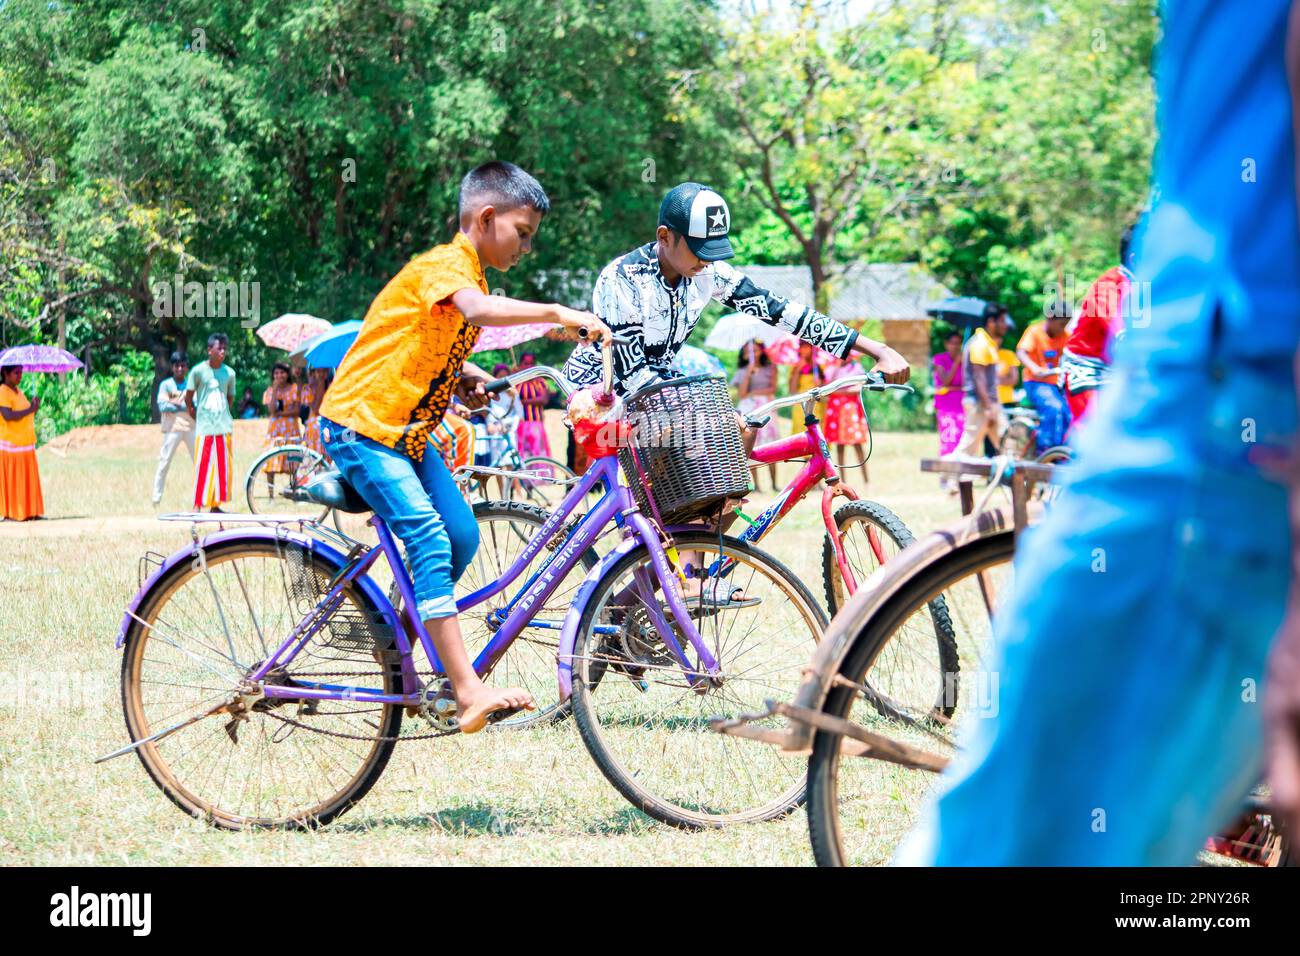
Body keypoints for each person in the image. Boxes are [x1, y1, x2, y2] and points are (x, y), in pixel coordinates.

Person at [896, 0, 1300, 865]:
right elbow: (1063, 371)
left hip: (1227, 384)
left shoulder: (1138, 291)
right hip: (1216, 402)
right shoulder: (1099, 300)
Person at [317, 160, 611, 733]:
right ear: (486, 217)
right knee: (427, 534)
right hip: (364, 427)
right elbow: (473, 312)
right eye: (522, 233)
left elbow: (421, 339)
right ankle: (466, 688)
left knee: (460, 533)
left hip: (407, 433)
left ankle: (401, 642)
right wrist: (557, 313)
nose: (526, 247)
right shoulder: (448, 266)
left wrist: (464, 375)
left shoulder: (465, 278)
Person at [559, 182, 909, 400]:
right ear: (664, 236)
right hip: (600, 394)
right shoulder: (622, 279)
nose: (706, 262)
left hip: (658, 393)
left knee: (727, 484)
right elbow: (633, 375)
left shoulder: (707, 273)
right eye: (699, 250)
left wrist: (876, 348)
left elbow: (783, 313)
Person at [1062, 226, 1136, 435]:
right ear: (1135, 257)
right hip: (1086, 369)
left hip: (1116, 369)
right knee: (1097, 433)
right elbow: (1118, 329)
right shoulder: (1109, 285)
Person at [942, 304, 1010, 489]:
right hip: (981, 403)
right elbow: (979, 377)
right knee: (970, 445)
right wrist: (989, 406)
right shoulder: (980, 343)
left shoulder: (987, 342)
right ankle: (948, 477)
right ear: (991, 321)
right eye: (1002, 321)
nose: (1005, 325)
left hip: (987, 403)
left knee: (1006, 441)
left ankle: (1016, 482)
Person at [185, 333, 237, 513]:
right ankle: (197, 504)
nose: (222, 352)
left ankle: (215, 505)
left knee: (221, 467)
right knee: (203, 465)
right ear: (209, 350)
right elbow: (189, 396)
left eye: (224, 349)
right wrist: (194, 413)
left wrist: (223, 415)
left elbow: (230, 398)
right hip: (205, 426)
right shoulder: (198, 371)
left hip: (223, 426)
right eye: (218, 348)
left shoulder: (229, 373)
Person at [1016, 305, 1072, 452]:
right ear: (1050, 319)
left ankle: (1062, 450)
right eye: (1061, 324)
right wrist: (1035, 369)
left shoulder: (1066, 336)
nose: (1063, 328)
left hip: (1055, 385)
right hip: (1035, 382)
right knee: (1054, 408)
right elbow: (1021, 352)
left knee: (1069, 413)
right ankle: (1045, 450)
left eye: (1066, 324)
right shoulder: (1034, 332)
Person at [732, 339, 780, 492]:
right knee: (752, 444)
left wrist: (754, 393)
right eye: (748, 351)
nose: (752, 353)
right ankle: (757, 485)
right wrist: (748, 373)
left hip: (766, 406)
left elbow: (772, 388)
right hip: (749, 408)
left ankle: (773, 483)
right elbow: (742, 393)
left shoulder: (771, 368)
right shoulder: (741, 372)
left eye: (755, 350)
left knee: (770, 444)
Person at [151, 351, 195, 506]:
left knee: (200, 464)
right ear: (172, 367)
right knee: (164, 462)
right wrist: (184, 405)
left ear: (187, 367)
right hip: (172, 429)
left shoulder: (191, 384)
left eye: (183, 365)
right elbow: (162, 405)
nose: (180, 369)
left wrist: (175, 402)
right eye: (177, 366)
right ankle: (156, 498)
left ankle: (201, 497)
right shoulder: (166, 384)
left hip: (190, 428)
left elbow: (195, 405)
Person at [0, 364, 44, 520]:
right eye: (16, 372)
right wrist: (30, 410)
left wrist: (34, 407)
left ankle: (31, 511)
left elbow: (25, 413)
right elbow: (8, 416)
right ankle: (14, 513)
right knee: (16, 481)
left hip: (25, 443)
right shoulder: (2, 392)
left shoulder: (19, 392)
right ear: (5, 373)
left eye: (21, 372)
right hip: (12, 445)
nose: (20, 375)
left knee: (28, 480)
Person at [823, 353, 870, 481]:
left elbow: (858, 388)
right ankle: (843, 480)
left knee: (857, 445)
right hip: (836, 411)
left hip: (851, 411)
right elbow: (827, 386)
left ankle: (866, 480)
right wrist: (837, 367)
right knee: (840, 447)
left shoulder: (857, 368)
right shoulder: (832, 368)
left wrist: (837, 391)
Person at [261, 362, 301, 489]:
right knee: (270, 460)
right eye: (276, 373)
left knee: (293, 461)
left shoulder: (295, 388)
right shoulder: (270, 391)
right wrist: (275, 390)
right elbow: (272, 410)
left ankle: (294, 490)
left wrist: (281, 414)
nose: (279, 375)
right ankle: (271, 494)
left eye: (282, 372)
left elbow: (297, 411)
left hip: (291, 430)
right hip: (275, 431)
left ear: (287, 374)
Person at [932, 330, 965, 456]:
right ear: (946, 344)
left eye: (958, 343)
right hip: (946, 405)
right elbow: (945, 381)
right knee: (948, 438)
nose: (956, 346)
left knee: (961, 440)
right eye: (953, 343)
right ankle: (946, 469)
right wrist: (956, 363)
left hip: (962, 405)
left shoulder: (965, 361)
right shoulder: (939, 359)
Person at [514, 352, 551, 458]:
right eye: (526, 363)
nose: (529, 366)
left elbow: (543, 400)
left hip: (536, 424)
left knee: (538, 453)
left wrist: (523, 402)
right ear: (520, 365)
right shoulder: (516, 383)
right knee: (522, 454)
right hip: (519, 425)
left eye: (531, 363)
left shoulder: (540, 382)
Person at [788, 341, 828, 434]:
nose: (804, 350)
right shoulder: (794, 367)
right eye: (802, 347)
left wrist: (820, 384)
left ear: (813, 349)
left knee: (816, 429)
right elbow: (792, 390)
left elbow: (825, 390)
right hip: (800, 403)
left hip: (816, 404)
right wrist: (797, 370)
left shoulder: (819, 367)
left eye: (807, 347)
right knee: (800, 429)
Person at [299, 366, 332, 458]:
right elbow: (316, 409)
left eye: (324, 371)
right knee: (315, 457)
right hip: (315, 426)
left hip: (329, 425)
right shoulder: (307, 389)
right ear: (312, 373)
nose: (321, 374)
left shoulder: (332, 387)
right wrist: (320, 384)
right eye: (318, 371)